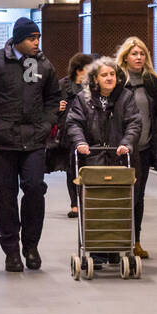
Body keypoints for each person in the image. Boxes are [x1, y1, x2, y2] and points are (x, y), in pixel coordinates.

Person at [0, 17, 60, 272]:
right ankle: (11, 251)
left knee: (34, 189)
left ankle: (31, 246)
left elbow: (53, 97)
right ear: (18, 40)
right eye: (31, 38)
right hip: (3, 141)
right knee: (6, 197)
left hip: (34, 140)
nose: (36, 42)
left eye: (38, 38)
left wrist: (47, 123)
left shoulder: (43, 65)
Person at [65, 57, 141, 266]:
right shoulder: (83, 98)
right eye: (104, 75)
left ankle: (114, 247)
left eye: (112, 74)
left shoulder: (125, 97)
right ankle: (97, 251)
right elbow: (73, 123)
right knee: (95, 204)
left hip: (118, 157)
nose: (109, 78)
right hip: (92, 158)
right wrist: (80, 142)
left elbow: (134, 122)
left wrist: (127, 143)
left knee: (117, 204)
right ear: (95, 79)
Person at [115, 36, 157, 258]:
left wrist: (156, 146)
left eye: (142, 53)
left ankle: (135, 241)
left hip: (143, 148)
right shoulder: (116, 80)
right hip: (119, 150)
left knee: (138, 197)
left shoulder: (152, 82)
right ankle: (114, 242)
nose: (139, 57)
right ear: (125, 57)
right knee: (118, 196)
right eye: (134, 53)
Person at [55, 52, 94, 218]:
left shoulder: (93, 86)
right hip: (68, 132)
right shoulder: (63, 85)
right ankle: (75, 204)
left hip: (90, 132)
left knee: (89, 168)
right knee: (71, 169)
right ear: (78, 70)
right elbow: (49, 107)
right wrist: (57, 107)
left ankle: (88, 201)